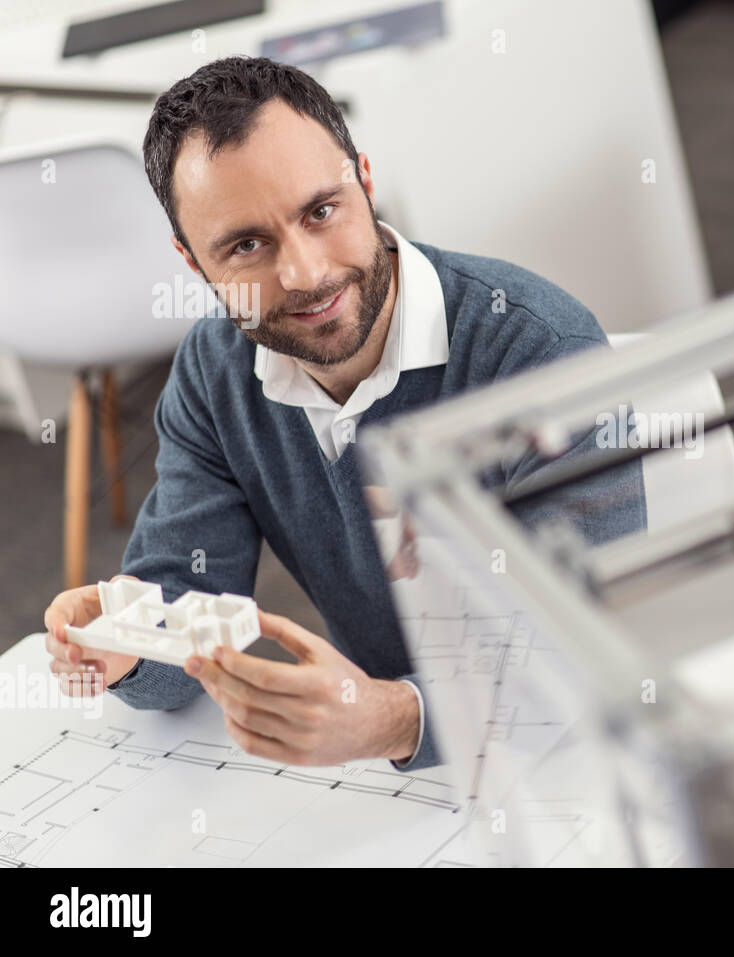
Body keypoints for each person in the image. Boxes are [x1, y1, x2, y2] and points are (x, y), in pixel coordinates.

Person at [42, 56, 646, 772]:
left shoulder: (541, 352)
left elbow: (585, 652)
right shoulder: (213, 372)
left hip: (579, 763)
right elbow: (184, 605)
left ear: (364, 177)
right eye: (245, 246)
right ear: (193, 263)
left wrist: (396, 719)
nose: (306, 273)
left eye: (320, 211)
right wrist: (130, 646)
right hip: (405, 784)